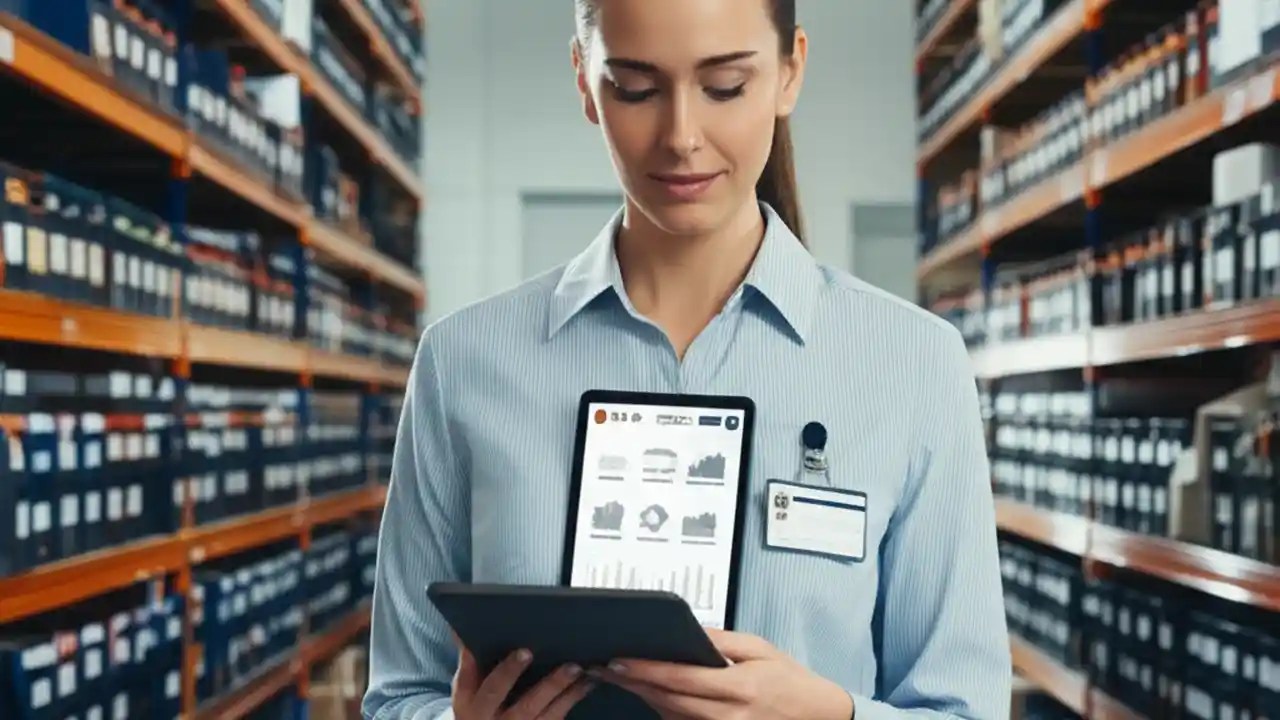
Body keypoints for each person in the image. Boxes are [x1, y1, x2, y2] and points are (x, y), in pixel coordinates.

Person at [362, 0, 1011, 717]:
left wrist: (831, 714)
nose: (681, 137)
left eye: (725, 87)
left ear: (790, 70)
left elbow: (966, 708)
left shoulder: (914, 366)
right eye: (636, 89)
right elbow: (398, 696)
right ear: (584, 80)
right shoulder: (463, 364)